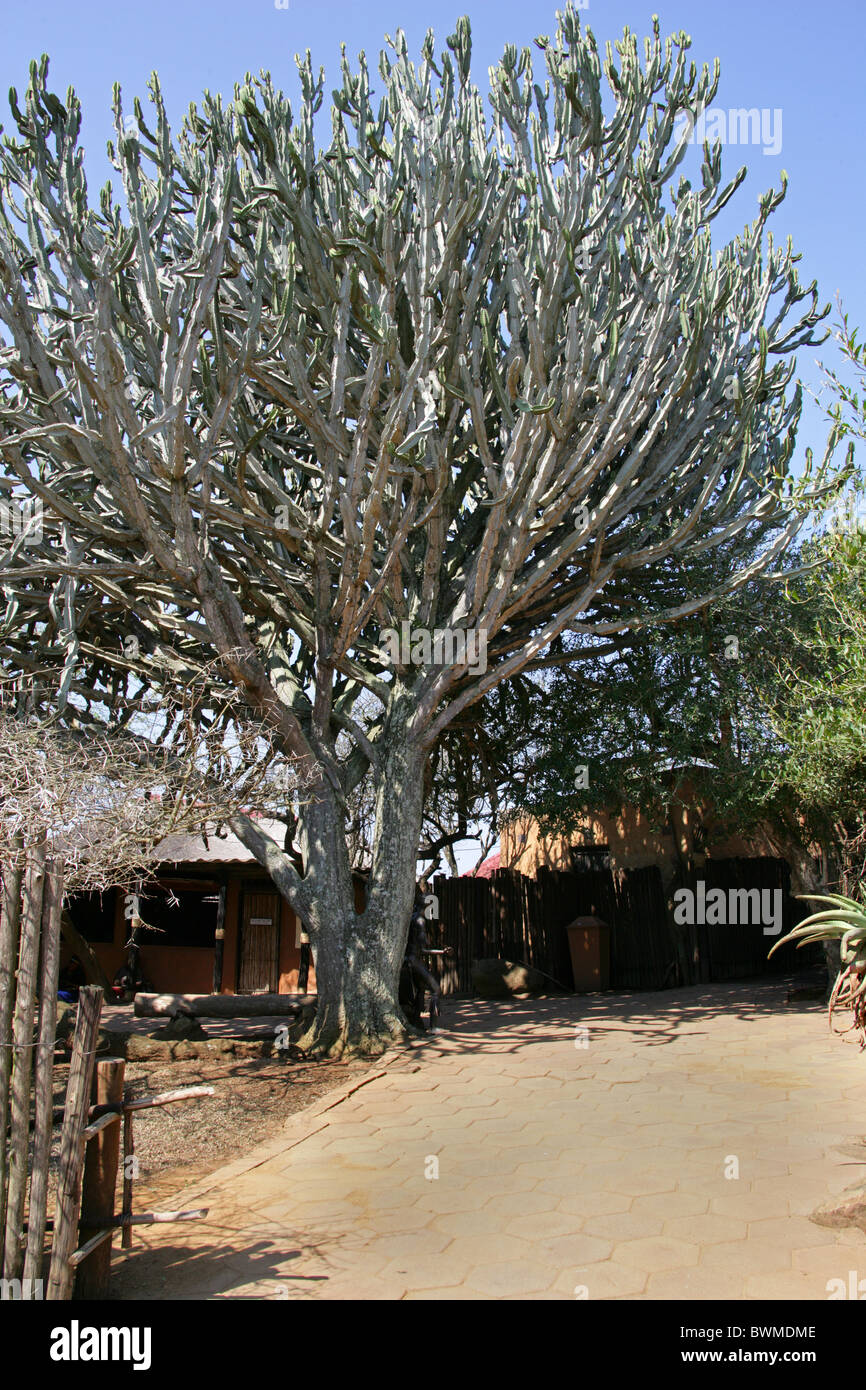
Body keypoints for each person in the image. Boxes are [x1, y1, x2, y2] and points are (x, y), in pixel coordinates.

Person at [402, 886, 452, 1032]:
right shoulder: (420, 921)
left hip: (408, 960)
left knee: (420, 990)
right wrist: (442, 952)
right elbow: (423, 950)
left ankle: (417, 1022)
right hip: (415, 960)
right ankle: (434, 1027)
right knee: (436, 990)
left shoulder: (412, 917)